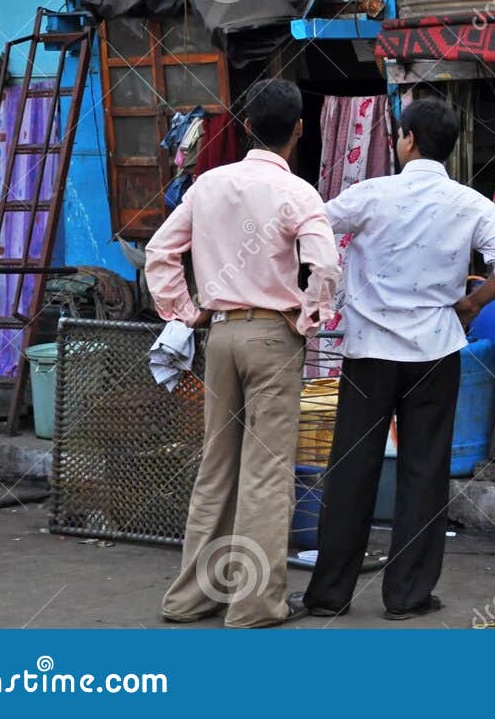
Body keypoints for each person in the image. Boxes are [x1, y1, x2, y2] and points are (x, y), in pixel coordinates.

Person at [301, 98, 495, 620]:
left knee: (351, 470)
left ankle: (329, 595)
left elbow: (314, 227)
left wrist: (322, 287)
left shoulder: (372, 194)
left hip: (369, 354)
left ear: (407, 139)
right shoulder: (469, 202)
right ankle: (407, 596)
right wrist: (470, 304)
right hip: (435, 351)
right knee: (424, 473)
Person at [146, 79, 340, 628]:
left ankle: (191, 597)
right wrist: (309, 315)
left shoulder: (207, 184)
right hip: (271, 336)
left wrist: (185, 311)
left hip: (221, 336)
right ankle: (255, 603)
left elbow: (160, 251)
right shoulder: (299, 193)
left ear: (247, 126)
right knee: (267, 472)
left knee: (217, 466)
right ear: (299, 131)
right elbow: (324, 266)